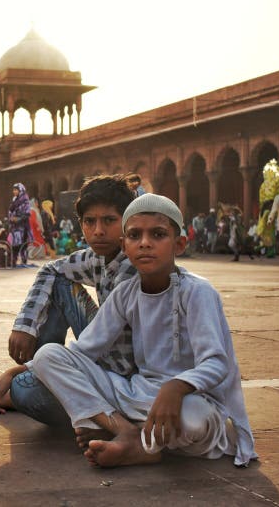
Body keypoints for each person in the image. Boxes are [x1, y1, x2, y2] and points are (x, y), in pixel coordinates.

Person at [33, 194, 255, 468]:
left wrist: (176, 387)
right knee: (48, 356)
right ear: (124, 246)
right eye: (135, 235)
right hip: (136, 393)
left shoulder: (198, 292)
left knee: (192, 422)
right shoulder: (126, 293)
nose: (145, 243)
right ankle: (126, 432)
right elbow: (83, 351)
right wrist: (25, 369)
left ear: (180, 244)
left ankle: (133, 438)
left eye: (158, 234)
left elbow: (217, 362)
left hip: (191, 398)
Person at [0, 174, 136, 427]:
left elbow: (109, 355)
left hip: (122, 378)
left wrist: (24, 369)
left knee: (24, 392)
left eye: (109, 221)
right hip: (103, 357)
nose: (98, 231)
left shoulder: (133, 269)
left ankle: (90, 412)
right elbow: (51, 269)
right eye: (89, 221)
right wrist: (25, 326)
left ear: (128, 222)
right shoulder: (99, 258)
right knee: (59, 281)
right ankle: (45, 380)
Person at [8, 183, 33, 265]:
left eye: (16, 190)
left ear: (21, 190)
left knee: (22, 244)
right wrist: (11, 218)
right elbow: (11, 211)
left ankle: (23, 260)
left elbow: (27, 214)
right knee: (15, 244)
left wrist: (18, 219)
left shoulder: (25, 200)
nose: (14, 191)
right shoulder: (14, 200)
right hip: (15, 227)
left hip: (22, 226)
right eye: (13, 190)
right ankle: (14, 260)